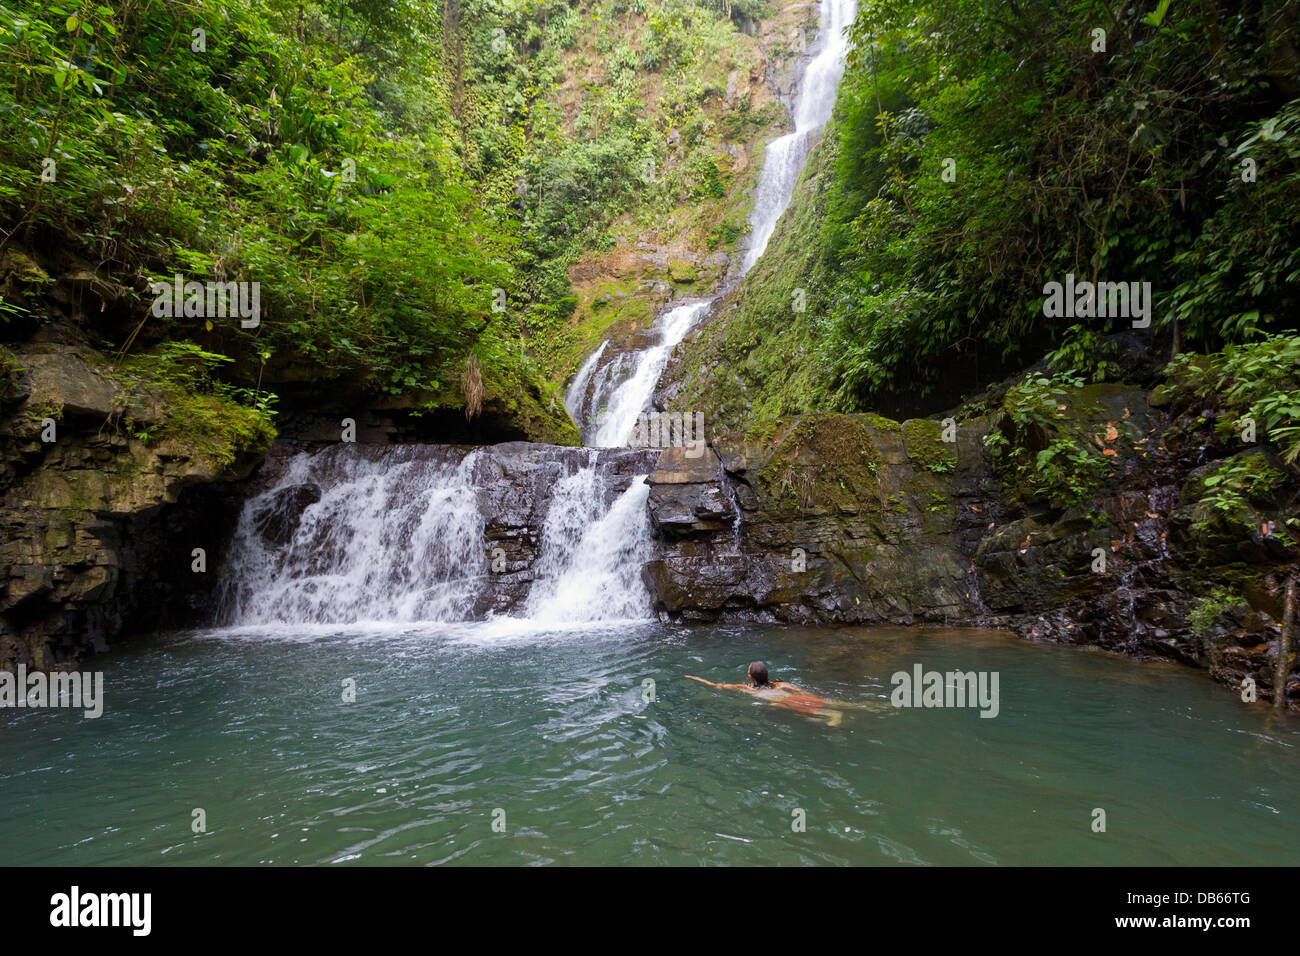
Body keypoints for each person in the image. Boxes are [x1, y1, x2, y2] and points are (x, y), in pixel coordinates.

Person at [685, 661, 849, 726]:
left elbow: (717, 686)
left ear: (750, 676)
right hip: (796, 696)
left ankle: (834, 716)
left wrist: (695, 678)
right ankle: (860, 706)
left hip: (786, 702)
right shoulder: (778, 684)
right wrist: (803, 693)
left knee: (816, 712)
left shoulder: (747, 688)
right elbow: (796, 689)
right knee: (824, 701)